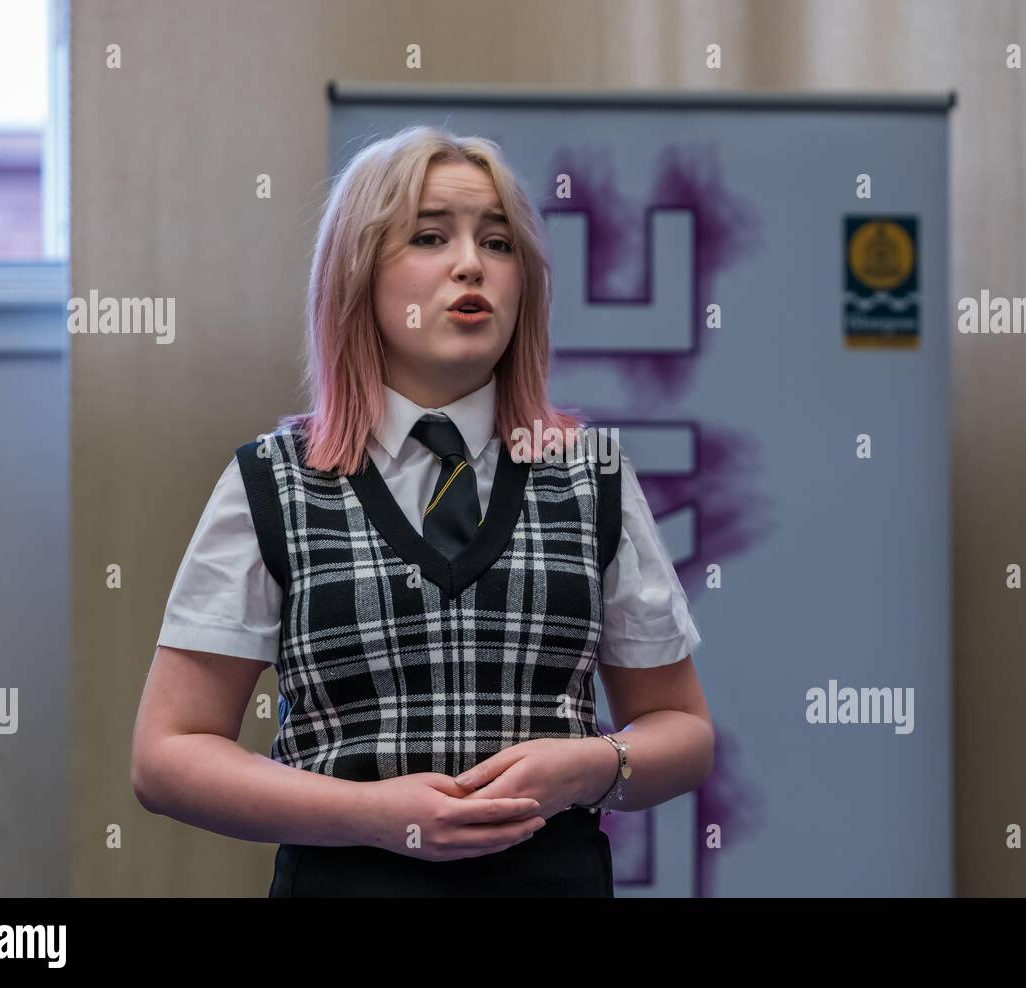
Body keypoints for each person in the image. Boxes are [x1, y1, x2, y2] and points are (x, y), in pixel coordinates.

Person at [131, 124, 713, 897]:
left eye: (498, 244)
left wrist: (594, 764)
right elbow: (167, 755)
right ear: (356, 275)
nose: (471, 264)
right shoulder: (273, 482)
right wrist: (370, 813)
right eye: (430, 237)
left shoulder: (591, 474)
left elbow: (684, 732)